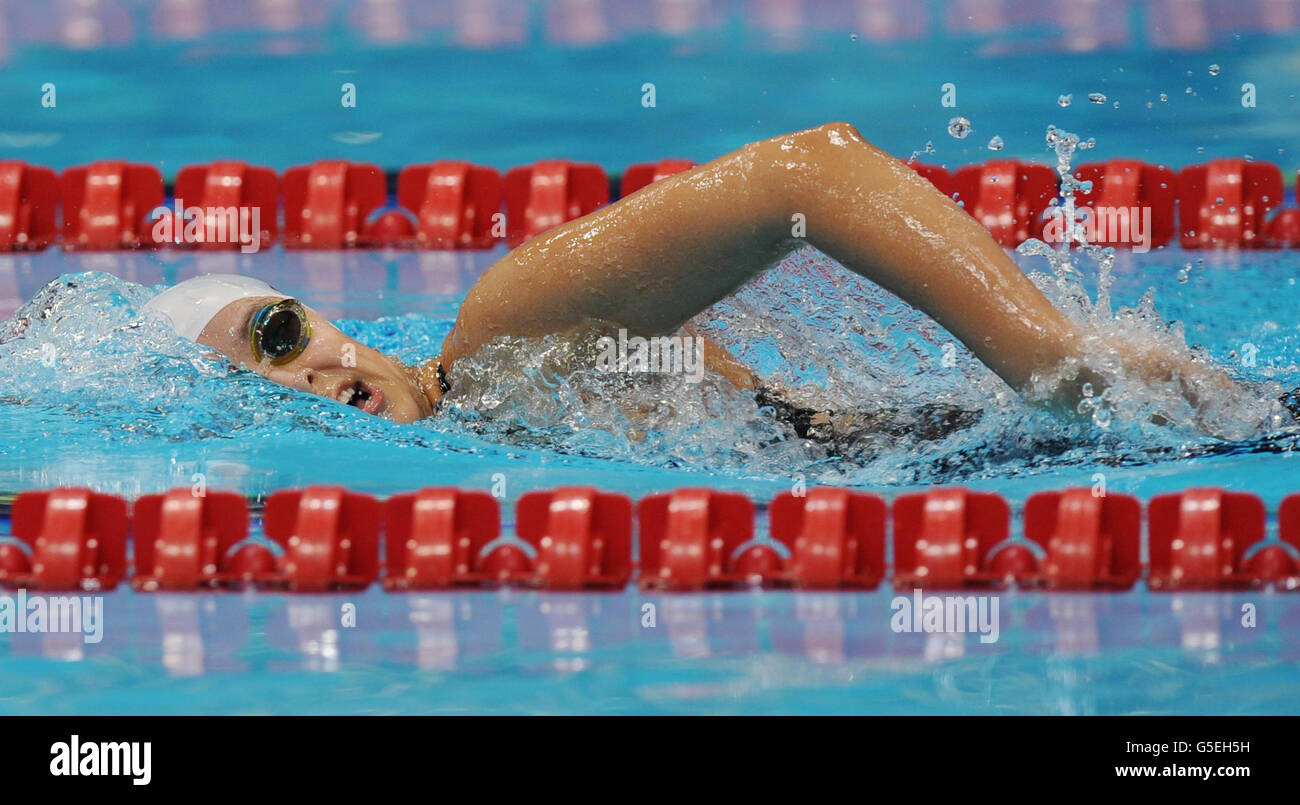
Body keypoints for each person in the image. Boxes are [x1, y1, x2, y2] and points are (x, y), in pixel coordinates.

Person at [144, 121, 1245, 436]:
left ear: (323, 312)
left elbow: (809, 171)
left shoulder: (503, 335)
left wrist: (1048, 358)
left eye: (279, 332)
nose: (295, 377)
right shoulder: (483, 432)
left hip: (1033, 440)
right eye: (253, 380)